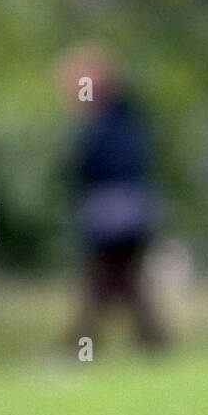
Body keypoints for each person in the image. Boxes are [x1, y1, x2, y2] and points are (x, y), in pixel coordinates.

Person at [57, 47, 168, 348]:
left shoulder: (112, 121)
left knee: (109, 279)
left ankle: (78, 345)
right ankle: (151, 341)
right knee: (118, 280)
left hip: (115, 211)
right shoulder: (117, 117)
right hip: (117, 208)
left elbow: (106, 165)